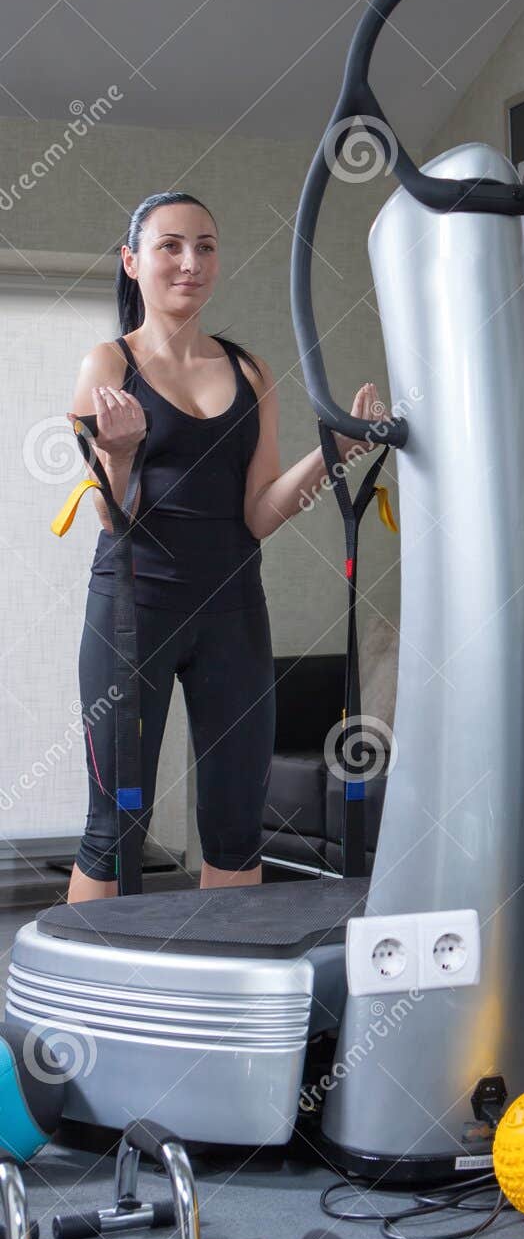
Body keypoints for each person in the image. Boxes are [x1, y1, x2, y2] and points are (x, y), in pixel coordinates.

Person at [67, 189, 380, 902]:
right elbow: (113, 520)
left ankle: (229, 998)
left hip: (233, 614)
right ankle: (92, 1011)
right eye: (170, 246)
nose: (190, 262)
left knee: (238, 824)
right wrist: (118, 455)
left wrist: (338, 451)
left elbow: (261, 512)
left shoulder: (248, 372)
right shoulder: (108, 368)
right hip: (132, 612)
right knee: (115, 826)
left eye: (205, 246)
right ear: (132, 260)